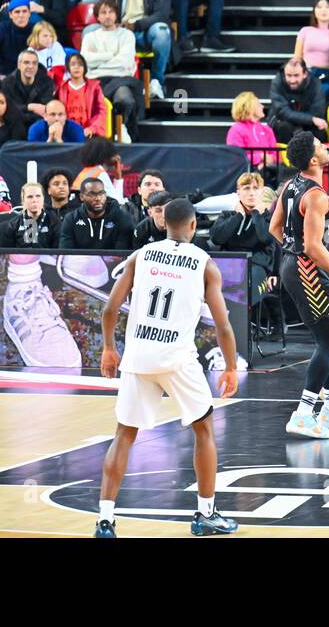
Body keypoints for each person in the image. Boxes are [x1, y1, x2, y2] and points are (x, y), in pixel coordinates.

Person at [94, 197, 239, 538]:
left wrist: (109, 348)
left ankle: (105, 520)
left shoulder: (140, 256)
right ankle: (205, 515)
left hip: (139, 353)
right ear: (193, 226)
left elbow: (110, 310)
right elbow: (223, 326)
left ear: (164, 224)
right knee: (203, 428)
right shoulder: (204, 264)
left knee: (124, 434)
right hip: (176, 357)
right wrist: (230, 366)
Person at [269, 132, 329, 439]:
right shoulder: (317, 196)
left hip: (292, 264)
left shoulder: (290, 185)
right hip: (305, 269)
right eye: (322, 147)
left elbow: (274, 228)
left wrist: (293, 252)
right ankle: (303, 413)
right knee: (326, 344)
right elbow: (313, 246)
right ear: (313, 160)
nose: (327, 149)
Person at [103, 0, 174, 102]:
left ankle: (157, 81)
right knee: (90, 30)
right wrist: (114, 24)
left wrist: (136, 25)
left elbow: (161, 14)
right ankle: (102, 82)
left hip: (145, 32)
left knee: (162, 31)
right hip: (119, 31)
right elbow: (104, 9)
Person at [79, 0, 141, 139]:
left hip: (121, 79)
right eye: (103, 12)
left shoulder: (127, 35)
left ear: (116, 14)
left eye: (111, 12)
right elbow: (85, 61)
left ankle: (123, 128)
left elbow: (124, 62)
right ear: (98, 16)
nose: (107, 16)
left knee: (125, 99)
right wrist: (110, 55)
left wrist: (98, 62)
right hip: (95, 80)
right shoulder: (90, 37)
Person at [59, 178, 134, 250]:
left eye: (101, 193)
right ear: (81, 197)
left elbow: (122, 254)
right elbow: (66, 253)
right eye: (91, 194)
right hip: (79, 262)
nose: (98, 198)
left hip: (113, 263)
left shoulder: (121, 217)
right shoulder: (71, 218)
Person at [266, 57, 328, 143]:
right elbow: (282, 112)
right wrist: (311, 119)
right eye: (289, 75)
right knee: (285, 127)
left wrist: (310, 120)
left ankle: (316, 156)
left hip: (307, 122)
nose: (292, 80)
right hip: (283, 121)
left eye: (296, 75)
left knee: (320, 130)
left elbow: (317, 112)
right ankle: (284, 156)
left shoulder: (315, 84)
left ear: (305, 73)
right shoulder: (277, 82)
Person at [0, 182, 61, 249]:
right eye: (30, 197)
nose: (34, 200)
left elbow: (59, 253)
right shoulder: (12, 225)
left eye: (38, 196)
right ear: (23, 200)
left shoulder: (54, 223)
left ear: (43, 199)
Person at [56, 55, 108, 136]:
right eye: (73, 64)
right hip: (67, 132)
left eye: (80, 64)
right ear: (68, 68)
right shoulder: (61, 88)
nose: (76, 67)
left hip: (90, 133)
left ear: (85, 68)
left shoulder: (95, 87)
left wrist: (92, 128)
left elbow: (101, 112)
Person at [1, 47, 57, 122]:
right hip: (14, 124)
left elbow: (44, 111)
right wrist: (30, 107)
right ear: (19, 65)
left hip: (38, 124)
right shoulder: (7, 83)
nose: (31, 66)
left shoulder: (47, 82)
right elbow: (7, 110)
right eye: (26, 62)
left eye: (34, 63)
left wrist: (21, 111)